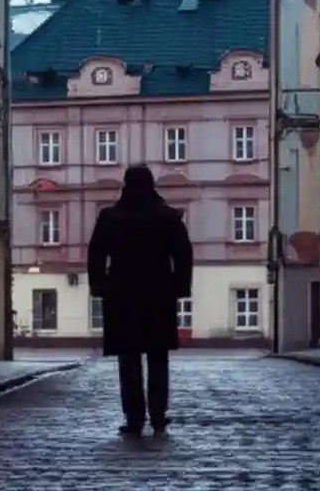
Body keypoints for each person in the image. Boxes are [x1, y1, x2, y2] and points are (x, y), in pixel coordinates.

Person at [88, 165, 194, 436]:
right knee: (158, 358)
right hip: (159, 293)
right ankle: (158, 415)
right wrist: (181, 287)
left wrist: (99, 286)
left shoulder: (111, 217)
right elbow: (183, 254)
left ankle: (134, 417)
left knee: (128, 359)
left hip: (122, 294)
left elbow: (96, 254)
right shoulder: (167, 217)